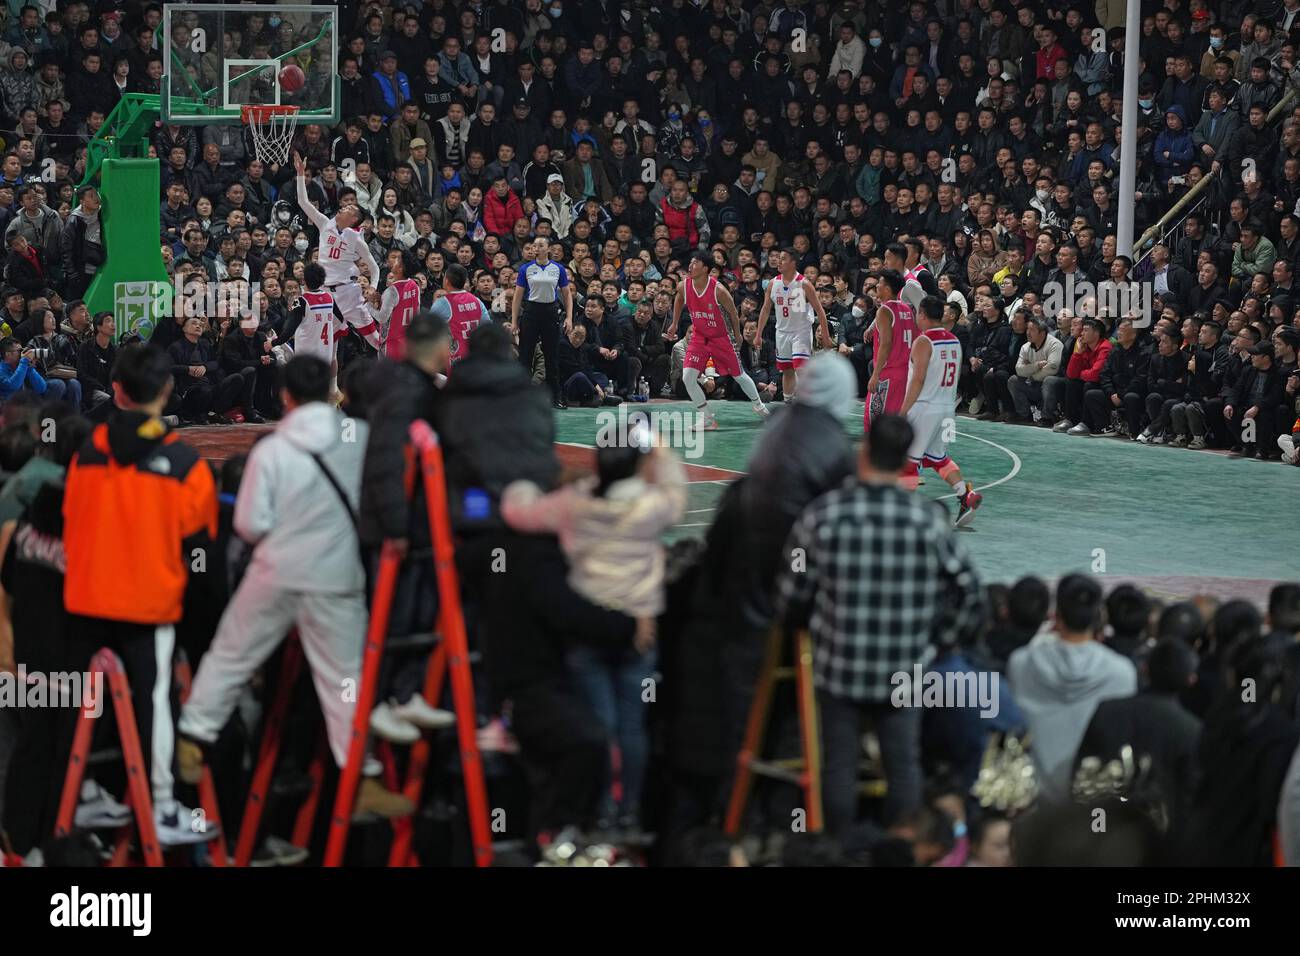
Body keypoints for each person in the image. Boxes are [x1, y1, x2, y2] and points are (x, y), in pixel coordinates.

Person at [177, 356, 412, 820]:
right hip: (336, 578)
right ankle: (361, 778)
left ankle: (192, 738)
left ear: (284, 396)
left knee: (231, 655)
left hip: (277, 572)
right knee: (346, 679)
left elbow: (249, 524)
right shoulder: (358, 439)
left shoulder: (272, 450)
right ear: (331, 389)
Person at [774, 414, 984, 833]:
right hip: (905, 667)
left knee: (838, 762)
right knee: (902, 763)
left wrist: (813, 622)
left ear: (864, 453)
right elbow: (970, 593)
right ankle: (901, 850)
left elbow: (791, 594)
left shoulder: (824, 514)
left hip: (840, 663)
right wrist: (937, 640)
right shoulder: (928, 521)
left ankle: (838, 850)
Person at [61, 344, 221, 846]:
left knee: (84, 704)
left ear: (119, 390)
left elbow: (70, 521)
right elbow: (201, 549)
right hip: (147, 604)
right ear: (167, 390)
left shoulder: (85, 452)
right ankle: (163, 805)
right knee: (155, 703)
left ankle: (82, 792)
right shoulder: (182, 462)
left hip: (84, 599)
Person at [502, 433, 687, 833]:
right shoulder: (651, 506)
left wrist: (521, 481)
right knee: (632, 727)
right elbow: (675, 490)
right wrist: (662, 450)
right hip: (640, 633)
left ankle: (600, 811)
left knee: (597, 727)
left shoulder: (574, 505)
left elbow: (518, 512)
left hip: (588, 633)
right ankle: (629, 812)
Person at [1007, 574, 1138, 805]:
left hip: (1033, 801)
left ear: (1056, 615)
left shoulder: (1021, 663)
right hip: (1090, 807)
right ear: (1099, 616)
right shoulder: (1122, 673)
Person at [899, 295, 983, 527]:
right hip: (947, 407)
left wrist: (902, 411)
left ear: (923, 314)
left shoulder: (923, 341)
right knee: (938, 458)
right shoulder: (954, 339)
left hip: (925, 408)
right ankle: (965, 494)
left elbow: (918, 380)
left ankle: (906, 513)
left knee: (908, 460)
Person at [664, 251, 770, 427]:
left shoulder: (718, 290)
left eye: (695, 263)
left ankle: (759, 406)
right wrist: (674, 323)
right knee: (688, 377)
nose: (690, 266)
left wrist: (737, 334)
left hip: (721, 338)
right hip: (699, 336)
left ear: (705, 269)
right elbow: (678, 299)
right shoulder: (684, 285)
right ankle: (707, 418)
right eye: (690, 262)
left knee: (739, 375)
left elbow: (733, 314)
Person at [292, 152, 382, 350]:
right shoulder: (325, 223)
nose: (346, 207)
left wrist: (373, 287)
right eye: (346, 205)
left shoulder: (356, 240)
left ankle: (400, 370)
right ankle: (332, 383)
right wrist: (300, 174)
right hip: (327, 295)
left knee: (375, 339)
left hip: (349, 293)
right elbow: (303, 202)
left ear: (353, 220)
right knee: (328, 345)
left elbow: (374, 268)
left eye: (351, 208)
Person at [755, 247, 832, 400]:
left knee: (801, 369)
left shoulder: (804, 284)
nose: (779, 261)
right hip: (782, 332)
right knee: (787, 370)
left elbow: (820, 310)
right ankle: (788, 403)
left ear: (793, 262)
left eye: (783, 258)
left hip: (801, 332)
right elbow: (765, 309)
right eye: (779, 258)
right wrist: (758, 334)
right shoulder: (772, 283)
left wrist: (826, 335)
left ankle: (809, 403)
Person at [511, 236, 574, 408]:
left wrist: (569, 317)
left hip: (550, 312)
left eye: (540, 245)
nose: (536, 248)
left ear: (548, 249)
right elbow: (517, 296)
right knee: (525, 356)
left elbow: (567, 294)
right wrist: (514, 321)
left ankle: (556, 398)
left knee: (551, 357)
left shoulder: (558, 269)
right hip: (531, 311)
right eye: (534, 245)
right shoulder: (526, 269)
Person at [864, 269, 917, 431]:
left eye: (879, 283)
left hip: (889, 373)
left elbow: (886, 344)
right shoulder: (907, 309)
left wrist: (875, 374)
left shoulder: (884, 311)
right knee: (896, 420)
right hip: (906, 371)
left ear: (886, 289)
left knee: (873, 422)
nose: (876, 286)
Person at [431, 262, 491, 365]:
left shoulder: (442, 303)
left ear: (446, 281)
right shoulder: (476, 301)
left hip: (457, 357)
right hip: (479, 355)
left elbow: (428, 330)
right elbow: (488, 326)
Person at [371, 249, 423, 360]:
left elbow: (382, 318)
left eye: (397, 260)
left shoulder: (392, 291)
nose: (394, 261)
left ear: (399, 269)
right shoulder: (415, 285)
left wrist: (368, 307)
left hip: (392, 344)